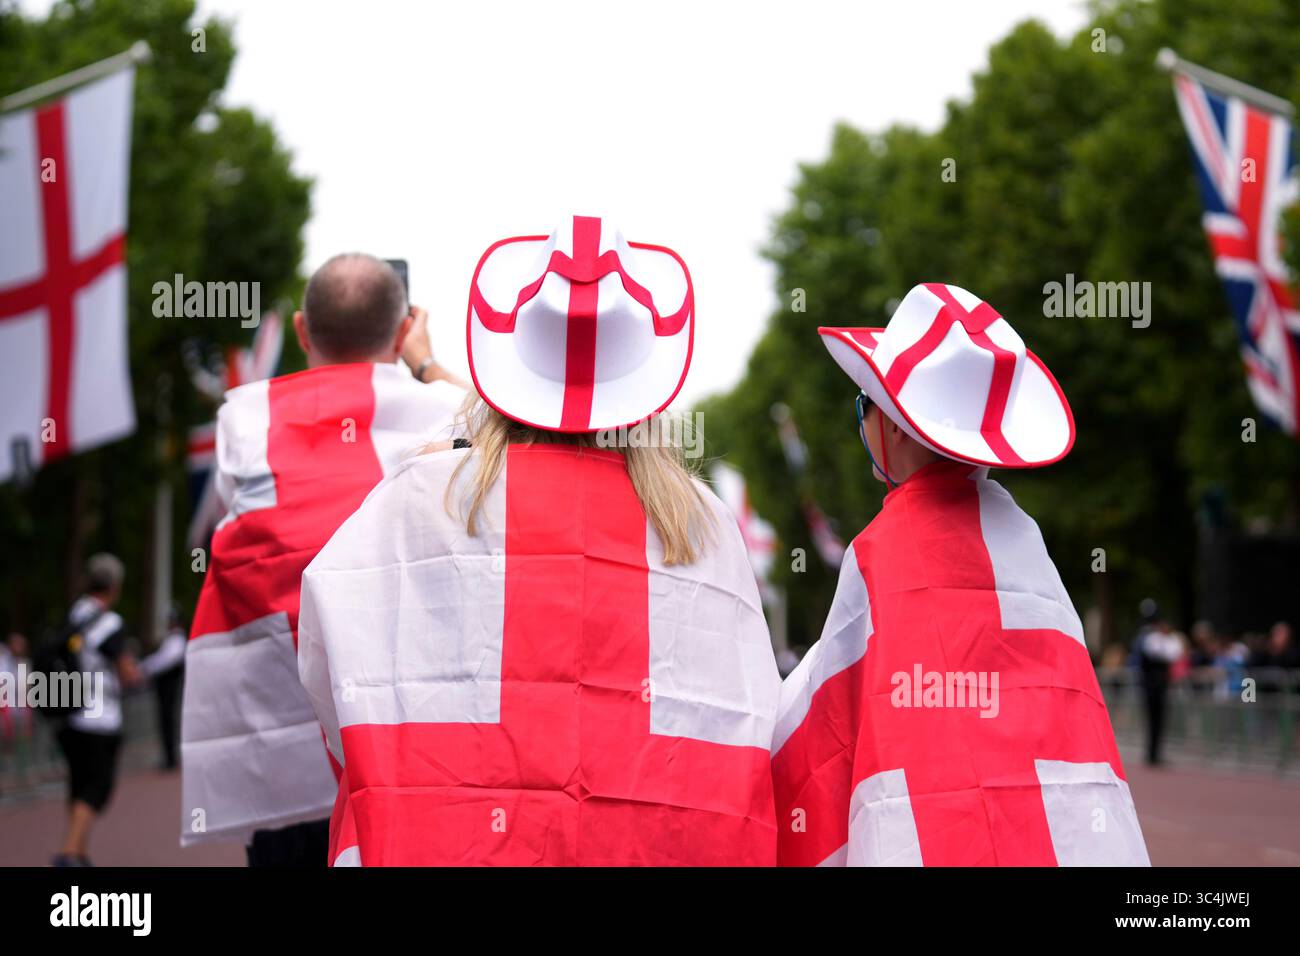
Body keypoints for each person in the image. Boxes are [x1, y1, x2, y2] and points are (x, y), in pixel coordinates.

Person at [298, 216, 782, 865]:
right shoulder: (702, 525)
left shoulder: (419, 500)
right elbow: (748, 717)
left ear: (507, 361)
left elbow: (336, 676)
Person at [771, 283, 1149, 866]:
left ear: (892, 427)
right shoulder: (1028, 543)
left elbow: (818, 734)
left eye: (864, 406)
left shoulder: (882, 548)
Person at [180, 253, 465, 865]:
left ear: (304, 334)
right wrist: (423, 359)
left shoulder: (244, 421)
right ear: (401, 330)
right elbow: (493, 424)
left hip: (286, 759)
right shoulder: (442, 416)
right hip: (393, 753)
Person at [53, 553, 140, 867]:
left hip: (70, 714)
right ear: (114, 586)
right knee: (96, 789)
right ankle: (68, 853)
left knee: (78, 787)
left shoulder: (74, 614)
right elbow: (127, 671)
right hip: (100, 717)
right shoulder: (109, 623)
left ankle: (78, 851)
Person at [1132, 602, 1183, 765]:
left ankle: (1154, 753)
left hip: (1156, 684)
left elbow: (1172, 653)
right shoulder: (1150, 637)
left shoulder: (1149, 637)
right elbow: (1165, 653)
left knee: (1157, 719)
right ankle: (1152, 754)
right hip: (1153, 684)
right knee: (1154, 719)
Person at [139, 605, 187, 770]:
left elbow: (164, 661)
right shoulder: (171, 639)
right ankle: (169, 755)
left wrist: (145, 668)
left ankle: (171, 757)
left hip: (170, 687)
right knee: (166, 721)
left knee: (168, 721)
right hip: (165, 687)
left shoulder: (177, 640)